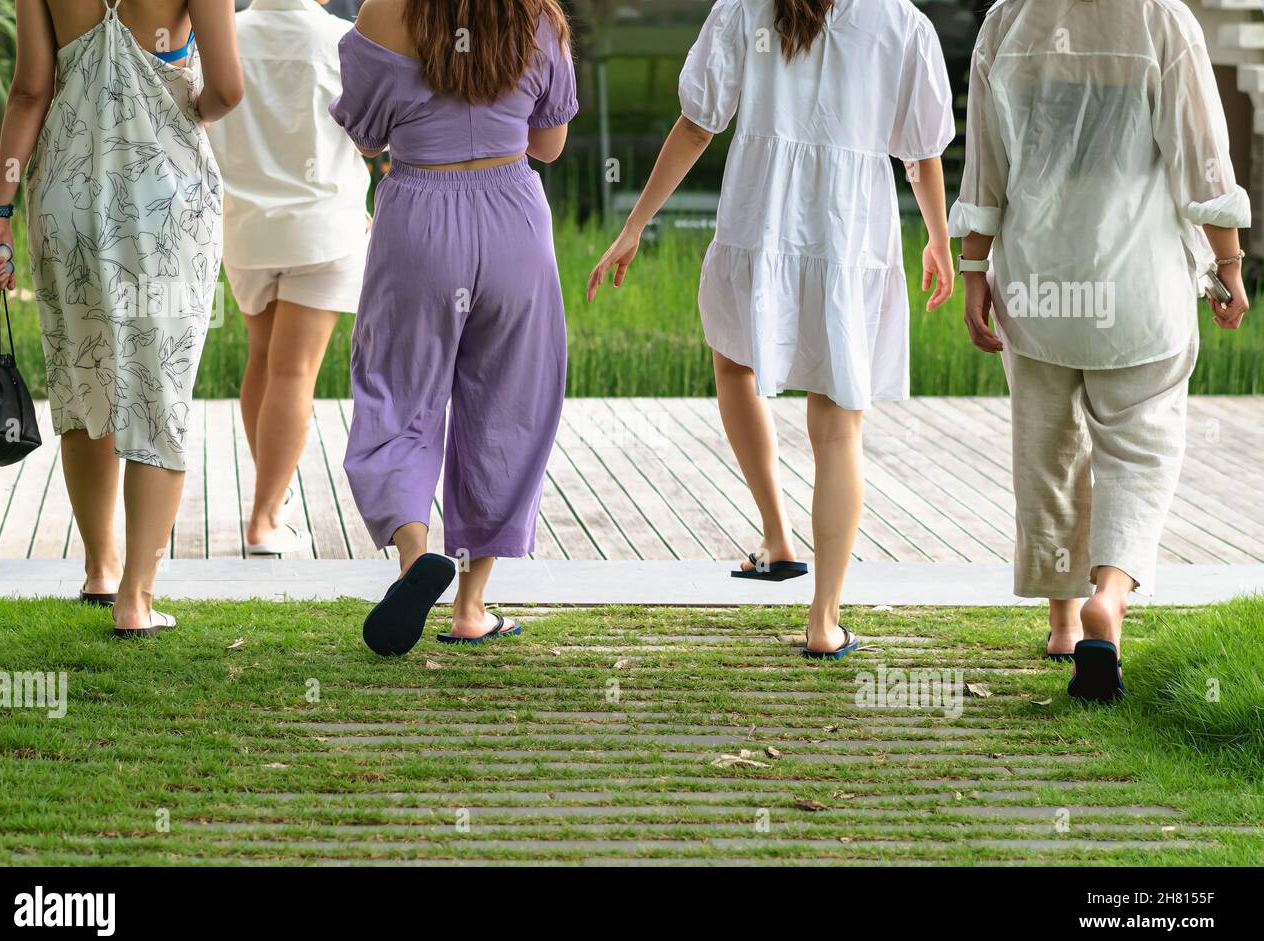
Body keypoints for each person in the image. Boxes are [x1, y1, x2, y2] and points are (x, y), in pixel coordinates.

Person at [588, 0, 955, 658]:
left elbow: (698, 127)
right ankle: (824, 619)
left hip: (761, 224)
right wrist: (938, 238)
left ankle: (777, 535)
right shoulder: (902, 22)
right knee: (838, 425)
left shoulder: (744, 8)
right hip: (849, 237)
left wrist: (636, 222)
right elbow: (921, 155)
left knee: (734, 362)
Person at [950, 0, 1251, 701]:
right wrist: (1228, 263)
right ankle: (1107, 600)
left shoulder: (1005, 21)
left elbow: (984, 165)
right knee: (1140, 449)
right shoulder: (1161, 19)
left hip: (1038, 285)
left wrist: (974, 270)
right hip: (1138, 290)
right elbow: (1204, 159)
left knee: (1047, 446)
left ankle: (1061, 626)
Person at [0, 0, 242, 636]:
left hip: (65, 197)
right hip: (163, 199)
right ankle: (136, 601)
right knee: (159, 388)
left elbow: (31, 88)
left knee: (83, 378)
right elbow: (228, 89)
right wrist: (180, 104)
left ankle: (99, 570)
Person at [329, 0, 577, 656]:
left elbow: (365, 136)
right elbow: (548, 144)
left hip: (420, 215)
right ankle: (471, 606)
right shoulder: (537, 16)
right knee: (506, 408)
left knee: (396, 394)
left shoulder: (385, 12)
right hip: (514, 222)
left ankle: (415, 560)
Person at [207, 0, 371, 556]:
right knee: (293, 372)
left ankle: (268, 496)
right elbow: (373, 133)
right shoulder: (345, 40)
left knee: (264, 361)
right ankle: (265, 517)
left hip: (246, 228)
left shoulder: (226, 34)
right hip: (321, 228)